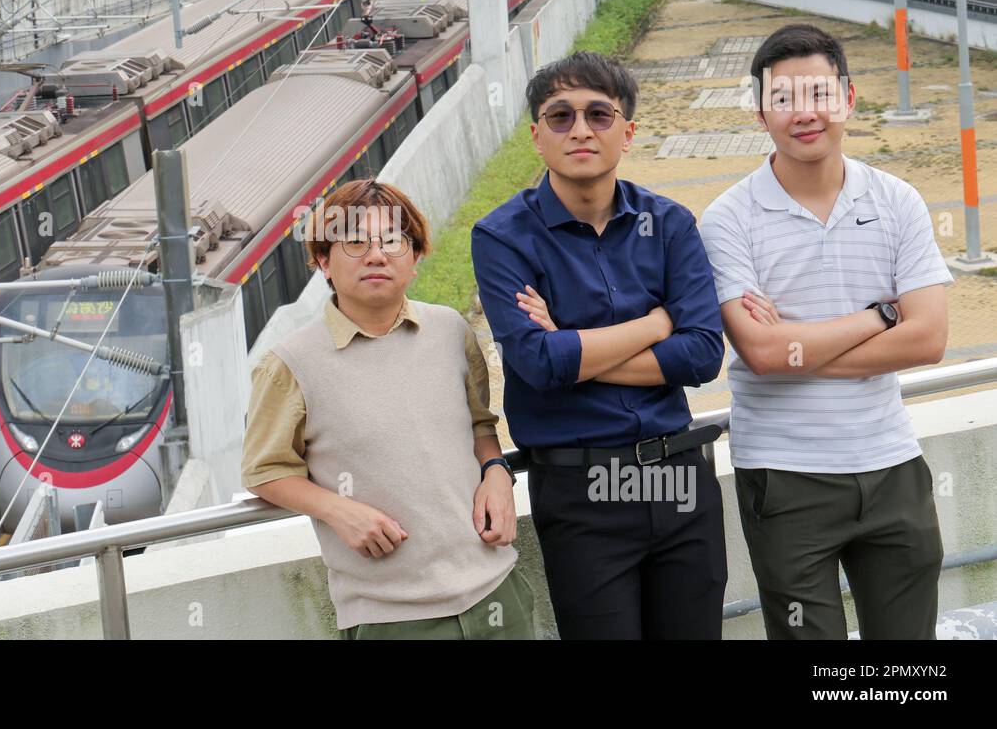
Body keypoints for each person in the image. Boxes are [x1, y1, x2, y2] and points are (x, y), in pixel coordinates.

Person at [699, 23, 951, 640]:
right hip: (786, 477)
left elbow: (929, 341)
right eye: (782, 98)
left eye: (819, 93)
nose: (803, 113)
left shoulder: (898, 200)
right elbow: (759, 352)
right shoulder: (728, 219)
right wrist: (879, 316)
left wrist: (798, 347)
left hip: (892, 464)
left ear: (848, 97)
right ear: (760, 113)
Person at [472, 52, 727, 640]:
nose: (580, 130)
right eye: (559, 116)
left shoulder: (670, 225)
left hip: (680, 478)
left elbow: (703, 355)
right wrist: (657, 324)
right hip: (581, 492)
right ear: (536, 135)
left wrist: (572, 346)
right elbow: (536, 365)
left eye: (598, 114)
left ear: (628, 132)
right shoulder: (501, 237)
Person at [241, 179, 535, 639]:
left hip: (498, 591)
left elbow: (480, 425)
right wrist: (338, 511)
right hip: (390, 617)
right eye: (354, 243)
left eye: (393, 241)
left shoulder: (450, 330)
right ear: (323, 261)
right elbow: (264, 471)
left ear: (415, 258)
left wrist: (496, 470)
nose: (376, 256)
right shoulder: (289, 364)